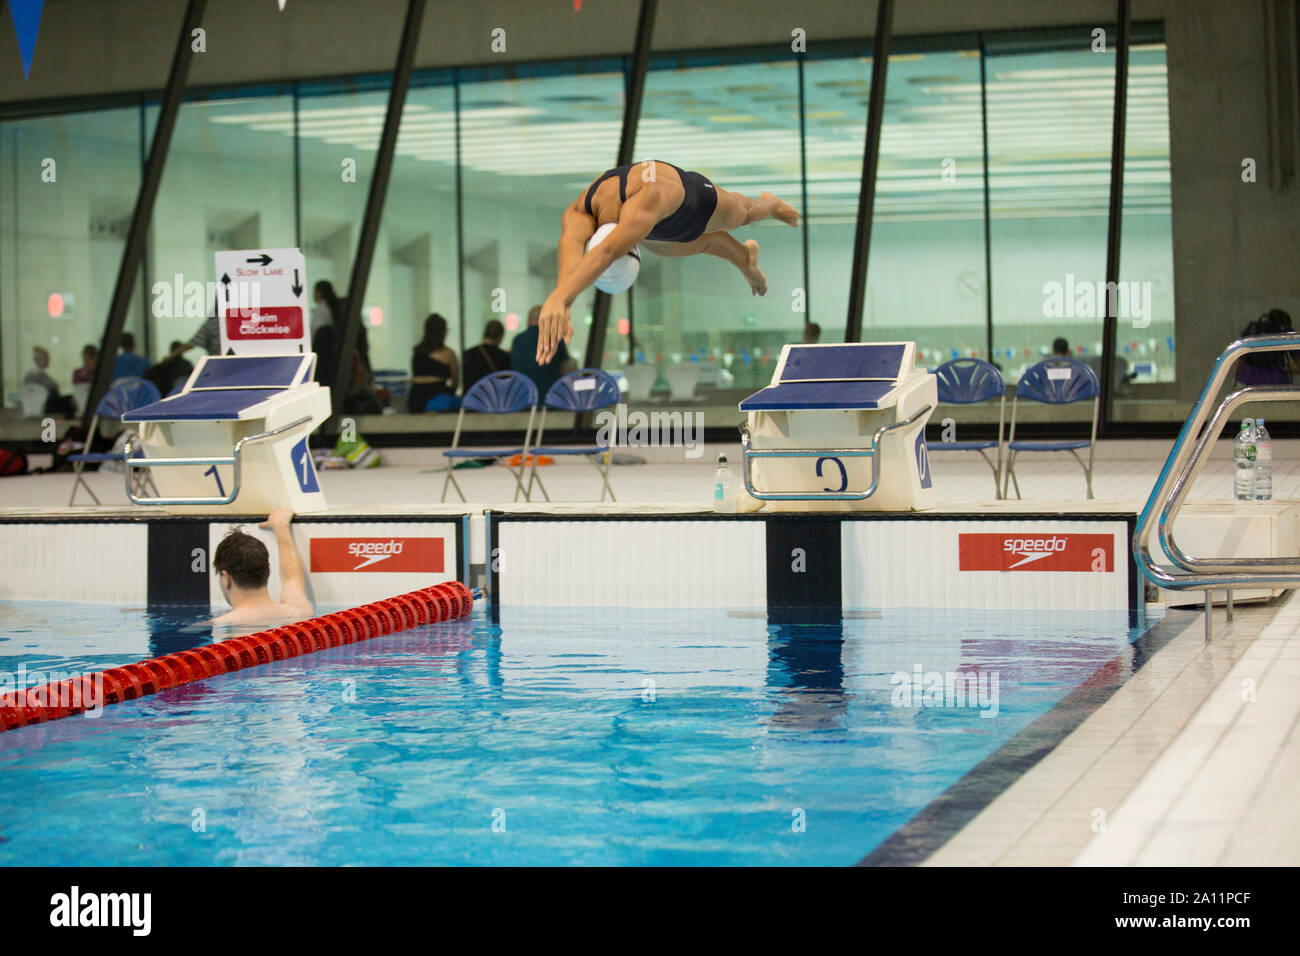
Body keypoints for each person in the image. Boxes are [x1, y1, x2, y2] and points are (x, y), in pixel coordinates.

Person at [537, 159, 800, 363]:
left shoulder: (644, 199)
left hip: (690, 200)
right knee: (704, 242)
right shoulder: (578, 213)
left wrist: (559, 298)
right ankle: (745, 259)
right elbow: (573, 257)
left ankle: (769, 204)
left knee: (743, 213)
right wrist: (563, 302)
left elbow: (606, 253)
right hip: (654, 224)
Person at [210, 508, 313, 628]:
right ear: (268, 570)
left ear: (226, 578)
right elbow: (292, 579)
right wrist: (281, 527)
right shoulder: (300, 611)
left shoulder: (217, 625)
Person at [512, 305, 576, 397]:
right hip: (551, 398)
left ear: (529, 319)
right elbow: (566, 370)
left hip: (523, 398)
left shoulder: (517, 340)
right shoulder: (555, 339)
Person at [408, 313, 461, 413]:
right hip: (438, 395)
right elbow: (455, 382)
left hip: (415, 397)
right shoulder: (448, 354)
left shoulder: (417, 351)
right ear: (443, 332)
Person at [1236, 308, 1297, 386]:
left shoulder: (1253, 330)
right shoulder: (1286, 331)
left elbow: (1237, 362)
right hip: (1275, 384)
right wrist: (1285, 369)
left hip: (1245, 382)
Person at [461, 319, 510, 395]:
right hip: (494, 400)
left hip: (472, 399)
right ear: (500, 337)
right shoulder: (504, 356)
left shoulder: (469, 353)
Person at [24, 346, 75, 415]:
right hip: (45, 404)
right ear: (38, 360)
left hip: (41, 402)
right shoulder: (38, 374)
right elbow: (53, 387)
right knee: (70, 399)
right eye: (47, 359)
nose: (49, 361)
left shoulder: (32, 372)